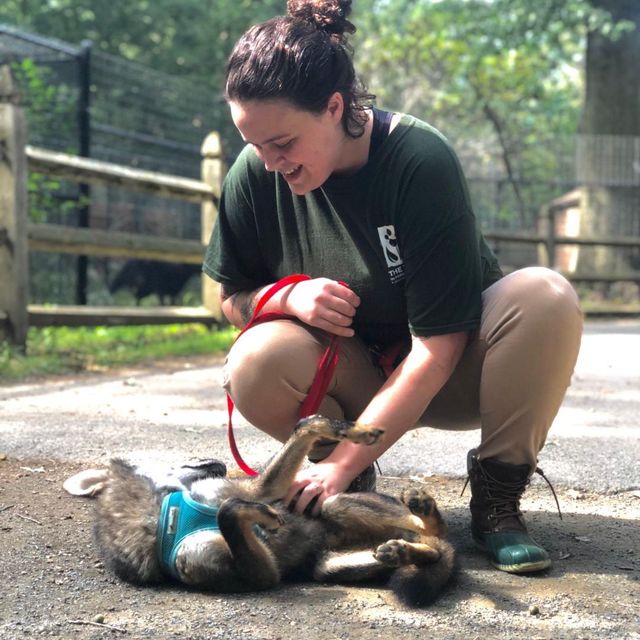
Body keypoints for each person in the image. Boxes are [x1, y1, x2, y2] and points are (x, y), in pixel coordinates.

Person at [203, 0, 583, 574]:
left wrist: (340, 461)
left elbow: (438, 349)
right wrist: (283, 298)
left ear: (335, 108)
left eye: (282, 142)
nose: (270, 162)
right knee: (252, 359)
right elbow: (229, 298)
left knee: (545, 296)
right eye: (253, 143)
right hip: (352, 382)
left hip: (458, 372)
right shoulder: (254, 173)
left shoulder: (418, 160)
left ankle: (497, 503)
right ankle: (349, 490)